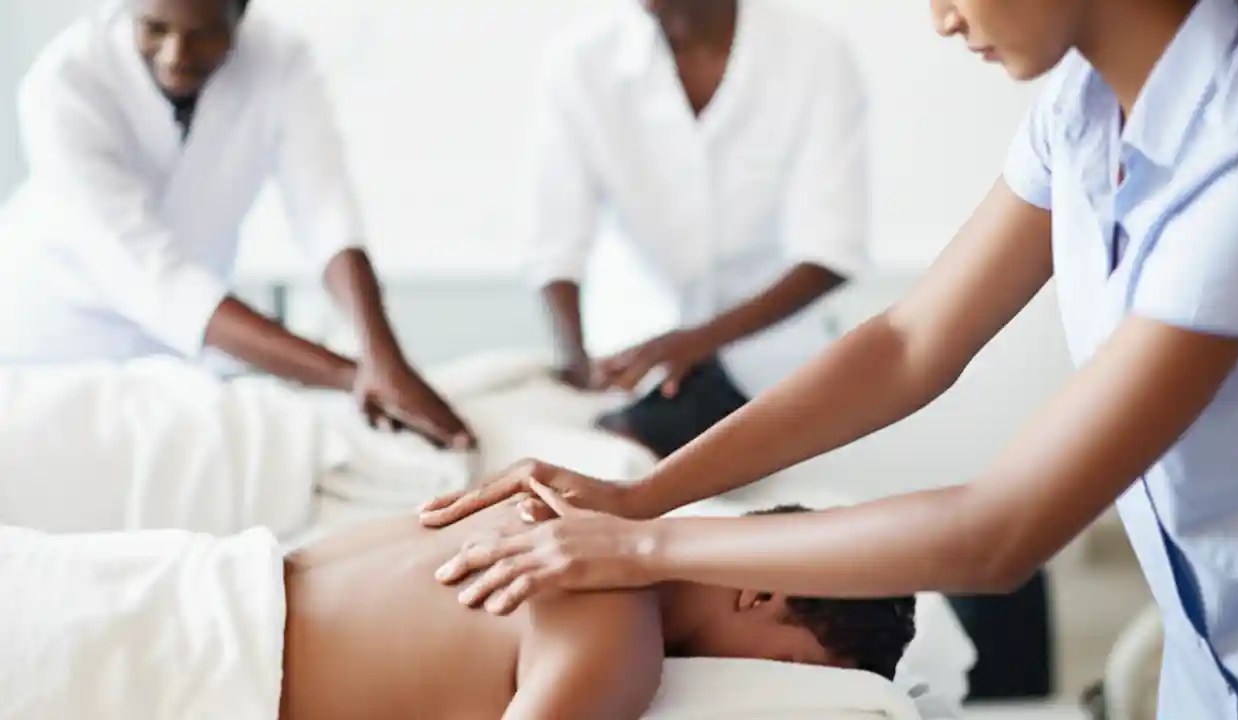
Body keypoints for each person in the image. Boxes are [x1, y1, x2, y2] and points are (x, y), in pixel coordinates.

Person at [423, 0, 1238, 717]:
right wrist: (641, 497)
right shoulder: (1081, 111)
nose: (941, 19)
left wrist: (644, 546)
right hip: (1207, 676)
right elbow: (907, 345)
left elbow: (999, 536)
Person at [0, 0, 473, 447]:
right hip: (48, 338)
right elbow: (153, 276)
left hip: (183, 353)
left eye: (204, 34)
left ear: (240, 15)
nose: (175, 56)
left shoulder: (280, 60)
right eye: (154, 28)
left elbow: (325, 211)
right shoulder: (64, 82)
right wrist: (355, 375)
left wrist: (383, 355)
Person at [0, 495, 917, 719]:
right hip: (174, 667)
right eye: (790, 668)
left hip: (149, 578)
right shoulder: (616, 641)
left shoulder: (546, 504)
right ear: (761, 590)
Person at [528, 0, 867, 458]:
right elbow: (555, 248)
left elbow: (831, 250)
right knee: (605, 454)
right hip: (628, 355)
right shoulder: (580, 61)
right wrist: (579, 363)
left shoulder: (814, 56)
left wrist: (696, 343)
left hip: (773, 354)